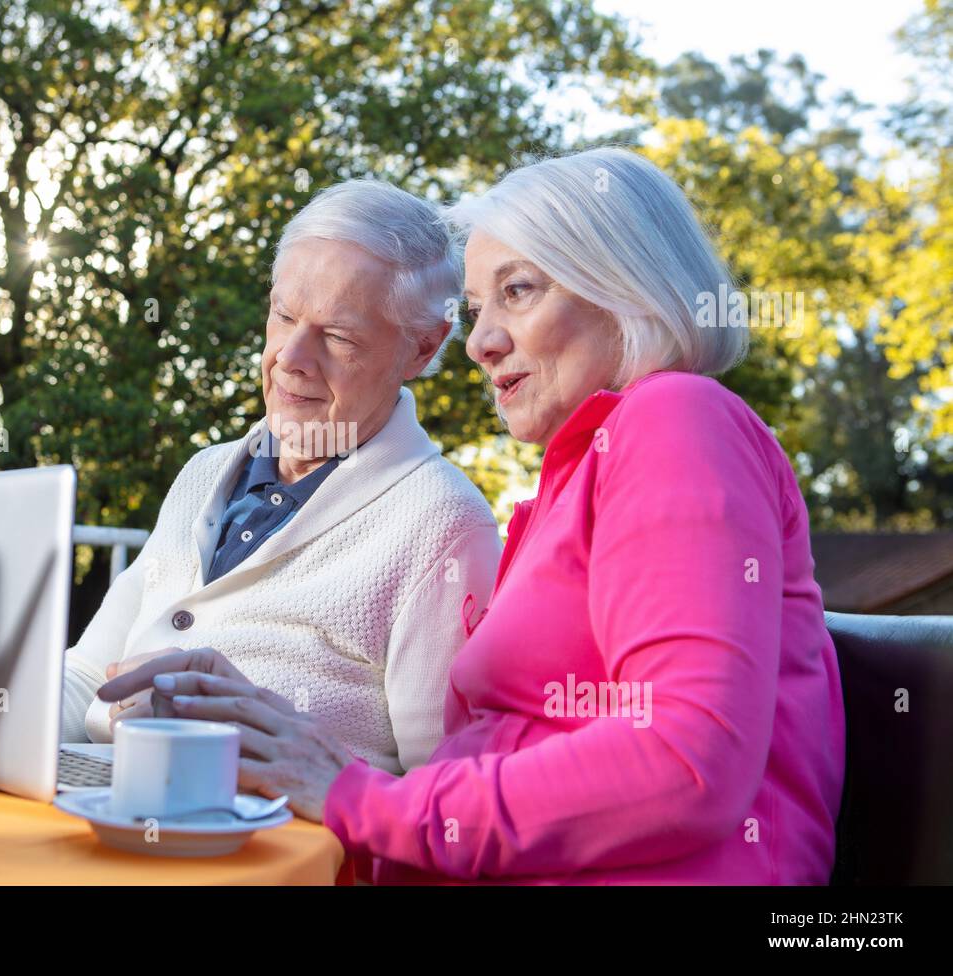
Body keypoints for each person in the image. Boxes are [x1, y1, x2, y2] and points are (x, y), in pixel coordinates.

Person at [98, 147, 846, 884]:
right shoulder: (571, 486)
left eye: (518, 291)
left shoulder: (677, 417)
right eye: (480, 307)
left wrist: (354, 796)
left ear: (624, 288)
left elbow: (688, 758)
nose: (482, 343)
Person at [62, 179, 501, 774]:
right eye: (283, 314)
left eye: (339, 336)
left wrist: (266, 749)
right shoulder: (204, 473)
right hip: (108, 800)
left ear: (422, 350)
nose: (290, 357)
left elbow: (441, 795)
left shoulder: (444, 524)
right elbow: (88, 676)